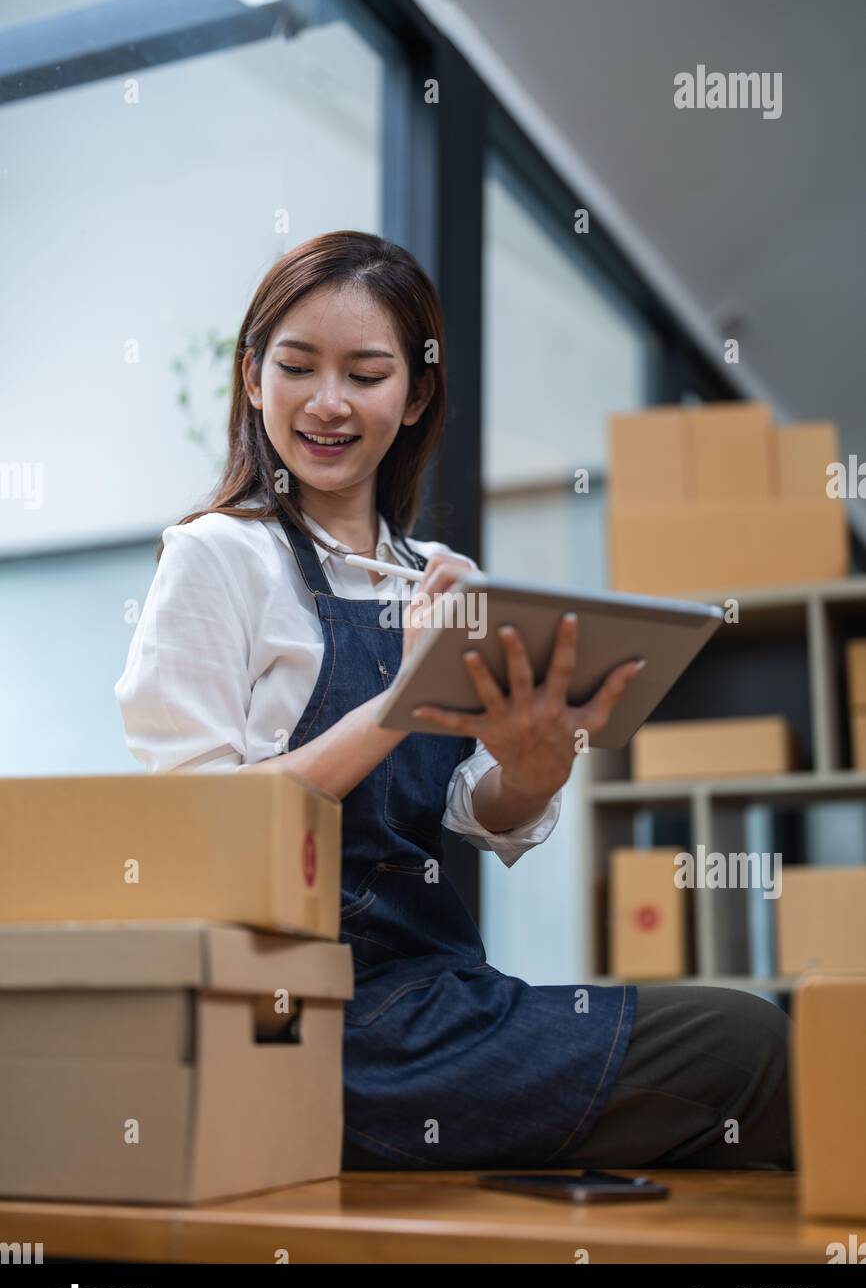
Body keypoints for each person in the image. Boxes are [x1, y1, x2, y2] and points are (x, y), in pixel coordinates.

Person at [116, 230, 793, 1172]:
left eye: (367, 373)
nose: (327, 402)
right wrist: (400, 699)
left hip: (438, 995)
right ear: (250, 377)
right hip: (303, 1016)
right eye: (297, 366)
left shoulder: (440, 581)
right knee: (748, 1046)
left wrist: (535, 764)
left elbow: (484, 815)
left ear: (416, 393)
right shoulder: (217, 556)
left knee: (755, 1058)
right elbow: (205, 824)